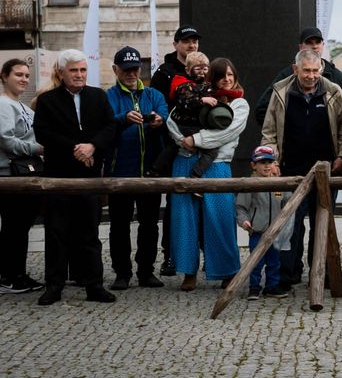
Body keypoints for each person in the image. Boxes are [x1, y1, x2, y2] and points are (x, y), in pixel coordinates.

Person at [259, 48, 342, 294]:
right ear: (295, 69)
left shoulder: (333, 91)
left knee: (323, 222)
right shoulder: (280, 91)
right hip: (290, 171)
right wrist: (271, 160)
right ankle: (286, 275)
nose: (312, 76)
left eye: (315, 70)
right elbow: (269, 131)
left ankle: (321, 273)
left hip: (327, 170)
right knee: (289, 225)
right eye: (306, 71)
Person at [33, 49, 117, 306]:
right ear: (61, 73)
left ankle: (94, 285)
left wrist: (92, 146)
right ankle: (54, 286)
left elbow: (110, 126)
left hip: (90, 177)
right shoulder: (47, 100)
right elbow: (43, 134)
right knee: (56, 234)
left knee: (89, 234)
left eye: (83, 70)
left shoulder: (98, 96)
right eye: (74, 70)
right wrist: (76, 149)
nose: (79, 75)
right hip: (59, 177)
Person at [168, 56, 249, 290]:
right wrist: (182, 141)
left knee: (220, 218)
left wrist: (196, 139)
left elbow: (227, 133)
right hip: (185, 161)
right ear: (212, 78)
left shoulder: (239, 104)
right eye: (221, 76)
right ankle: (188, 271)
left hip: (218, 164)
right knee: (184, 218)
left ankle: (226, 270)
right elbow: (172, 120)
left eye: (230, 75)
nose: (226, 80)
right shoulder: (196, 94)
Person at [104, 46, 170, 289]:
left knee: (150, 225)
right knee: (119, 225)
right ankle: (122, 272)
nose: (131, 74)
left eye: (135, 69)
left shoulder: (154, 95)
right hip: (119, 172)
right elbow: (104, 127)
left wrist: (159, 122)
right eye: (126, 70)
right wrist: (124, 119)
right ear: (116, 70)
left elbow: (166, 119)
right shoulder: (108, 96)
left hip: (150, 172)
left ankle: (146, 271)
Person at [0, 57, 45, 294]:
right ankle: (8, 278)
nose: (24, 79)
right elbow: (6, 140)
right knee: (12, 226)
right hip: (9, 174)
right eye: (18, 75)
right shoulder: (3, 105)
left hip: (23, 172)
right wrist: (37, 149)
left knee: (21, 226)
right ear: (4, 76)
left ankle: (18, 274)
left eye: (26, 75)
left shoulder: (20, 105)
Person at [151, 25, 201, 276]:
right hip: (174, 144)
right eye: (186, 41)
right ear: (175, 44)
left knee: (204, 201)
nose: (192, 45)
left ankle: (203, 253)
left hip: (201, 144)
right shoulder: (164, 72)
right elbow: (158, 106)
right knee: (175, 203)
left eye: (195, 41)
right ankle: (170, 255)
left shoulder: (203, 67)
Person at [235, 145, 290, 298]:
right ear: (253, 165)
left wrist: (282, 181)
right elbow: (241, 207)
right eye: (262, 162)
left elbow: (288, 202)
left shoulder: (279, 183)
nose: (266, 166)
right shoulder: (250, 184)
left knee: (274, 262)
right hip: (257, 232)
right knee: (256, 262)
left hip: (275, 232)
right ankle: (254, 287)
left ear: (275, 164)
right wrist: (244, 221)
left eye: (269, 162)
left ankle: (272, 286)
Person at [270, 27, 342, 91]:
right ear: (300, 47)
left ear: (323, 45)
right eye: (309, 42)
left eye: (318, 42)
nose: (314, 46)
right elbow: (266, 103)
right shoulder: (286, 75)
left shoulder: (336, 76)